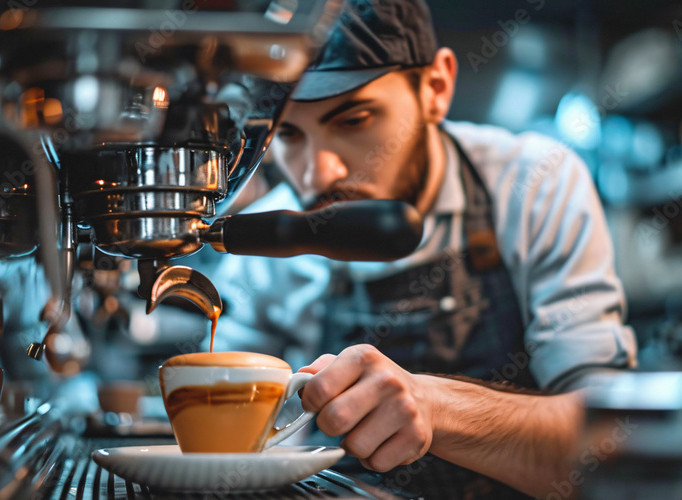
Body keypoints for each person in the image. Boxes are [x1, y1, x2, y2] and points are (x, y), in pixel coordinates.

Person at [206, 0, 638, 497]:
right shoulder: (274, 234)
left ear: (436, 87)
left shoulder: (534, 185)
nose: (315, 175)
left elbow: (608, 441)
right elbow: (228, 434)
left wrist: (436, 406)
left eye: (353, 121)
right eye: (288, 134)